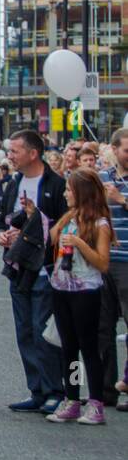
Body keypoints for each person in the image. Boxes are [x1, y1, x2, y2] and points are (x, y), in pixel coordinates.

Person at [0, 129, 67, 415]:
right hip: (18, 268)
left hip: (46, 270)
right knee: (24, 331)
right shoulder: (14, 183)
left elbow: (63, 225)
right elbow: (3, 219)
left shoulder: (56, 184)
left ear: (32, 153)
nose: (10, 156)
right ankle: (36, 390)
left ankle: (56, 390)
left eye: (15, 151)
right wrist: (2, 234)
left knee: (43, 331)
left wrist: (36, 219)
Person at [44, 168, 113, 424]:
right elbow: (51, 239)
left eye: (69, 190)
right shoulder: (71, 217)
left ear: (82, 193)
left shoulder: (100, 224)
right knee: (68, 348)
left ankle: (95, 402)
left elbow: (103, 263)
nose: (65, 193)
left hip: (86, 291)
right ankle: (72, 398)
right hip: (61, 287)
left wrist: (80, 243)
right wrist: (62, 222)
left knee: (88, 348)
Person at [97, 128, 128, 412]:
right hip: (104, 259)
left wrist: (122, 201)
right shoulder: (104, 178)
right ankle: (105, 390)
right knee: (102, 327)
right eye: (127, 150)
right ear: (115, 150)